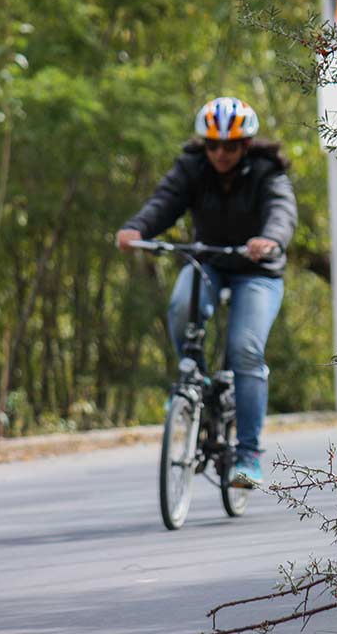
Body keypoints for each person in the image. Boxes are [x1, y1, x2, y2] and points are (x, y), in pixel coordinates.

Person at [116, 96, 297, 488]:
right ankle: (193, 382)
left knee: (245, 349)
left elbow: (281, 212)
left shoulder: (269, 172)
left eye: (229, 145)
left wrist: (269, 238)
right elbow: (164, 202)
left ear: (245, 144)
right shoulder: (192, 167)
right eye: (212, 145)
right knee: (182, 307)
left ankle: (248, 455)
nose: (220, 153)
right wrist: (138, 229)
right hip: (208, 262)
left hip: (257, 271)